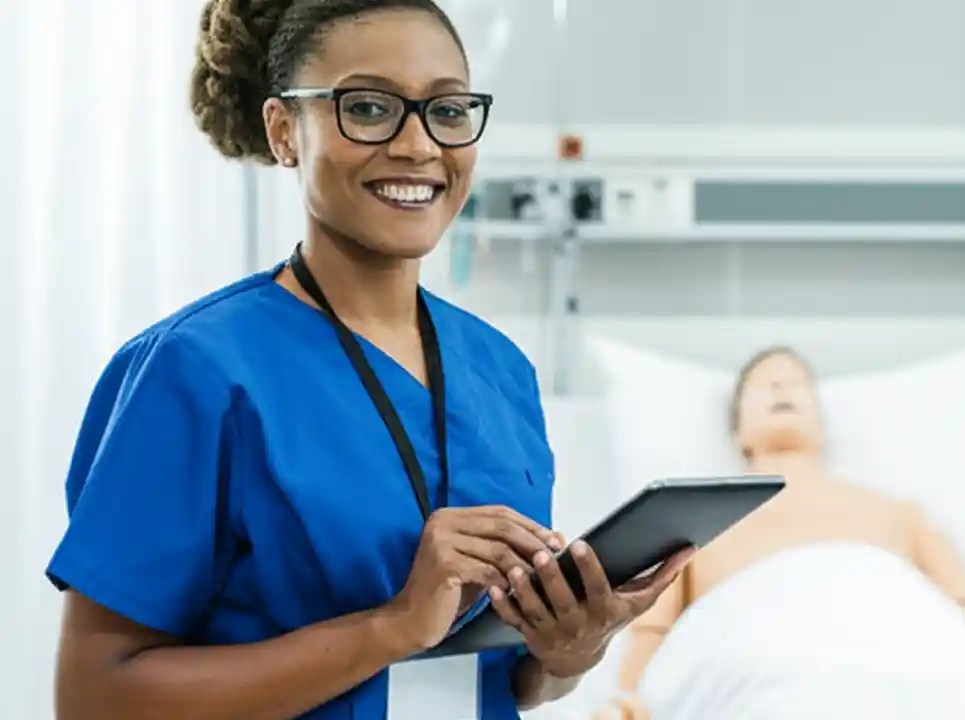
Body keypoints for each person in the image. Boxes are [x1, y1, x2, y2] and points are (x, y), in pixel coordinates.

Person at [45, 2, 691, 718]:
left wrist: (567, 656)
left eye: (446, 110)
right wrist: (390, 628)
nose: (418, 145)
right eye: (371, 107)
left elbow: (499, 678)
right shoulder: (194, 372)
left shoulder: (501, 371)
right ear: (284, 131)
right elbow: (93, 698)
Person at [599, 346, 965, 720]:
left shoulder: (900, 513)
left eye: (797, 384)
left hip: (901, 637)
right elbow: (651, 634)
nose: (784, 386)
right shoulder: (694, 520)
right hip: (755, 650)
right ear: (739, 429)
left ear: (822, 423)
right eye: (765, 385)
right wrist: (625, 701)